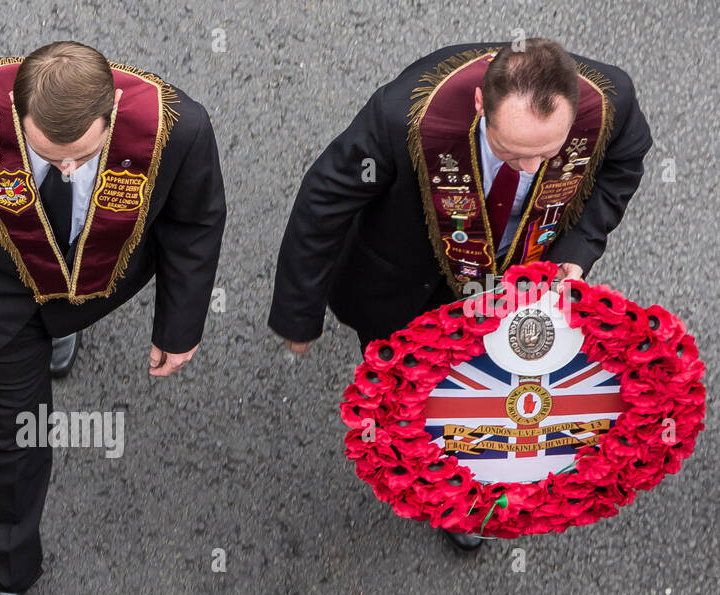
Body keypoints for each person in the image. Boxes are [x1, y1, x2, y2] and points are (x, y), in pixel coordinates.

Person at [0, 41, 226, 595]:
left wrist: (179, 326)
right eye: (49, 158)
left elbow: (195, 222)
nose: (70, 172)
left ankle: (58, 326)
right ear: (17, 114)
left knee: (59, 321)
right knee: (9, 437)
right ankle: (5, 577)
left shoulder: (179, 130)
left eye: (83, 156)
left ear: (112, 116)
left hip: (97, 281)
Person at [267, 37, 651, 553]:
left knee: (495, 395)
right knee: (413, 397)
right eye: (513, 153)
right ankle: (427, 468)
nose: (533, 169)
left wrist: (576, 254)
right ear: (479, 106)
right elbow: (323, 201)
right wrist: (298, 314)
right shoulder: (402, 117)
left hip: (521, 286)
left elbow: (621, 167)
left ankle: (468, 491)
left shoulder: (612, 101)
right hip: (410, 286)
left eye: (548, 152)